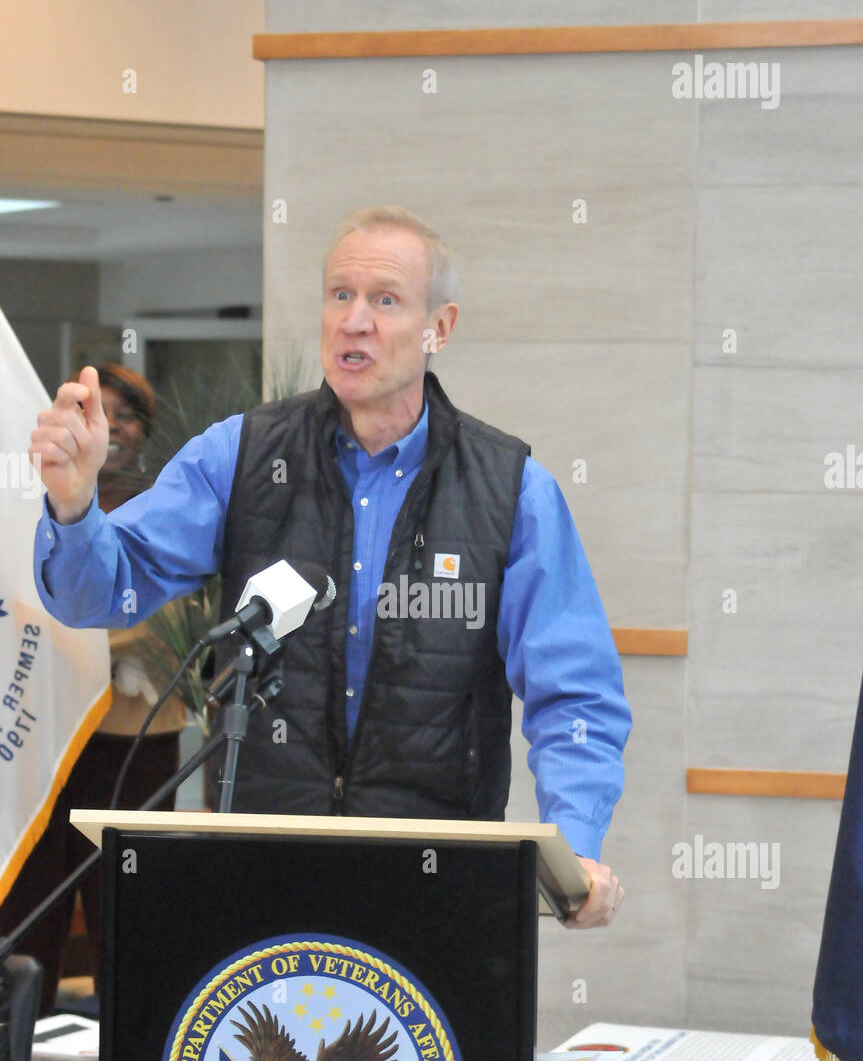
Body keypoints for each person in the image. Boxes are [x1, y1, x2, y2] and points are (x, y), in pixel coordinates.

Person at [29, 206, 631, 929]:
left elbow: (575, 693)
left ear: (439, 328)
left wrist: (577, 847)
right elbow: (102, 592)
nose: (355, 321)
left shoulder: (510, 489)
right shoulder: (240, 457)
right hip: (263, 872)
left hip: (435, 882)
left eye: (385, 301)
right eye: (340, 296)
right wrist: (72, 508)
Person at [1, 365, 185, 1016]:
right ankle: (21, 1048)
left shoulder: (170, 507)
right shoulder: (27, 498)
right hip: (42, 731)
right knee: (30, 908)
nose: (110, 426)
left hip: (132, 741)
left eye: (124, 414)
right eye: (92, 409)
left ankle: (129, 1058)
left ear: (143, 430)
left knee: (127, 909)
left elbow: (169, 620)